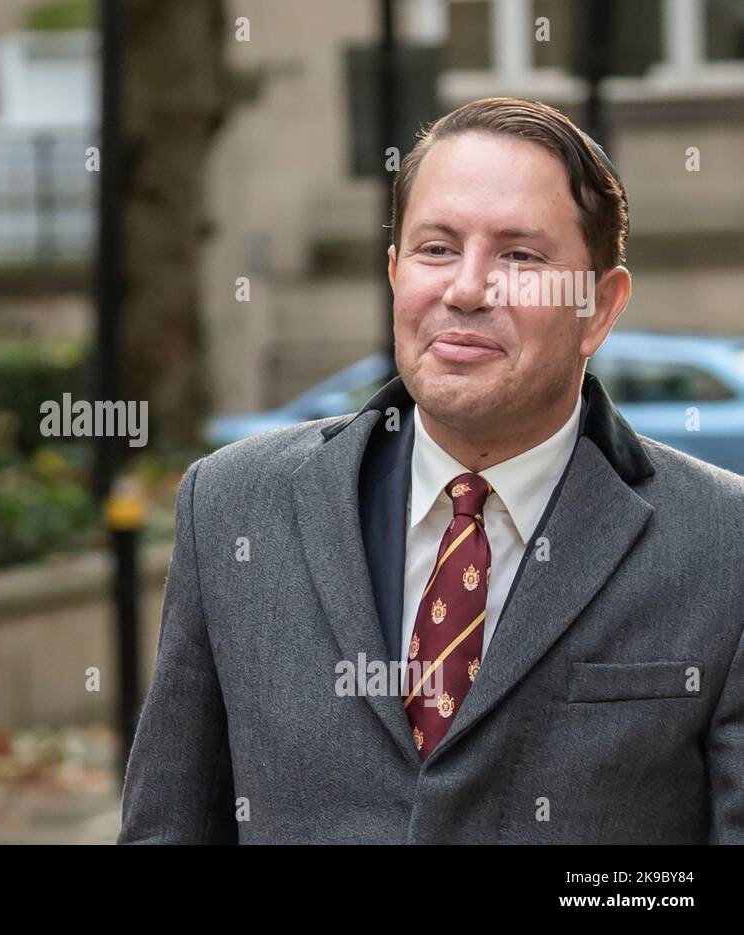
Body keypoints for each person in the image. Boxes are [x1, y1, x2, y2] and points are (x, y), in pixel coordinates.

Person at [119, 97, 744, 844]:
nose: (467, 289)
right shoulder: (232, 507)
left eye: (520, 256)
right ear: (395, 275)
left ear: (600, 308)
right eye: (437, 248)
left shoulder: (724, 545)